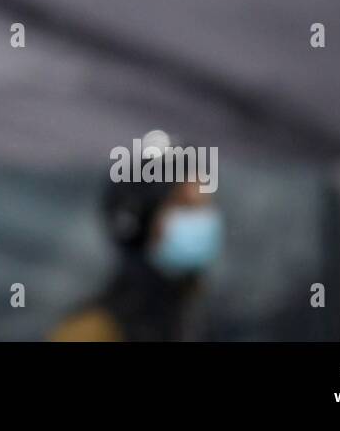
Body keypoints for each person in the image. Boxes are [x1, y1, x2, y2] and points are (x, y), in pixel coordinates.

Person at [49, 145, 223, 341]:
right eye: (185, 206)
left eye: (205, 205)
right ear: (142, 221)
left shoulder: (195, 318)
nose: (203, 219)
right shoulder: (92, 332)